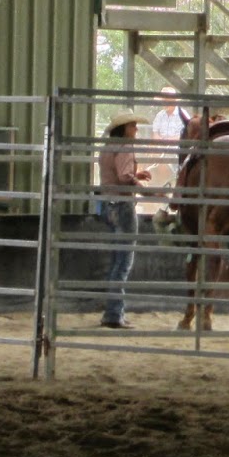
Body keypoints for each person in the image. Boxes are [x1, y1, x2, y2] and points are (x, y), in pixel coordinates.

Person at [97, 112, 152, 329]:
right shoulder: (125, 147)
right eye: (133, 126)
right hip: (123, 206)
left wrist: (136, 175)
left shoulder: (107, 147)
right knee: (124, 262)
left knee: (116, 260)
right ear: (125, 129)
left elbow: (115, 175)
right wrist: (146, 191)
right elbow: (123, 177)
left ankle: (113, 311)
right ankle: (113, 314)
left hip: (108, 205)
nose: (136, 129)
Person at [149, 87, 184, 188]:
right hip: (160, 149)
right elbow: (155, 133)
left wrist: (165, 142)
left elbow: (182, 136)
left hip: (175, 150)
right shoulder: (160, 115)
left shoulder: (182, 116)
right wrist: (158, 144)